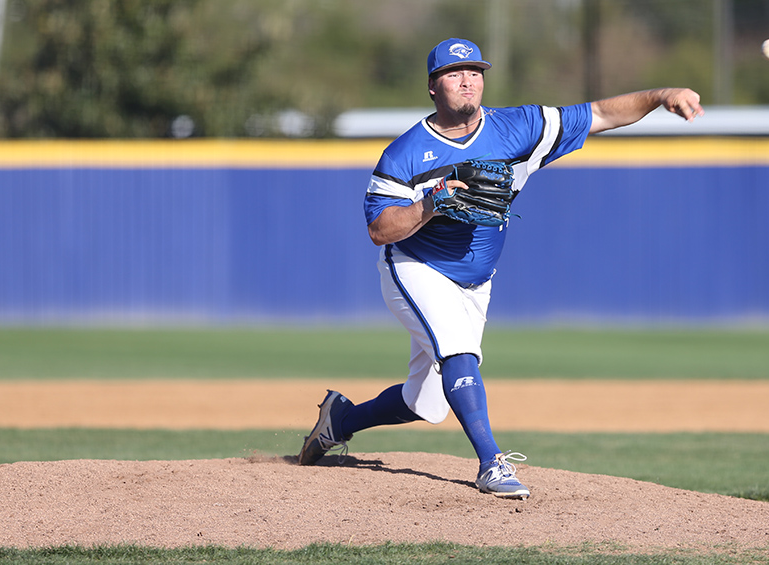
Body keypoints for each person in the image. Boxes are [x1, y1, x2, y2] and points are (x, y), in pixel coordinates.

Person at [297, 37, 704, 499]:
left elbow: (600, 115)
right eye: (454, 73)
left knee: (425, 403)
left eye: (475, 71)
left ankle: (340, 420)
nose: (467, 79)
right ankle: (491, 463)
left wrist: (660, 96)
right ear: (433, 87)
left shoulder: (520, 126)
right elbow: (379, 229)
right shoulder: (406, 153)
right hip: (416, 265)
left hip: (476, 280)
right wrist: (430, 203)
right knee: (458, 354)